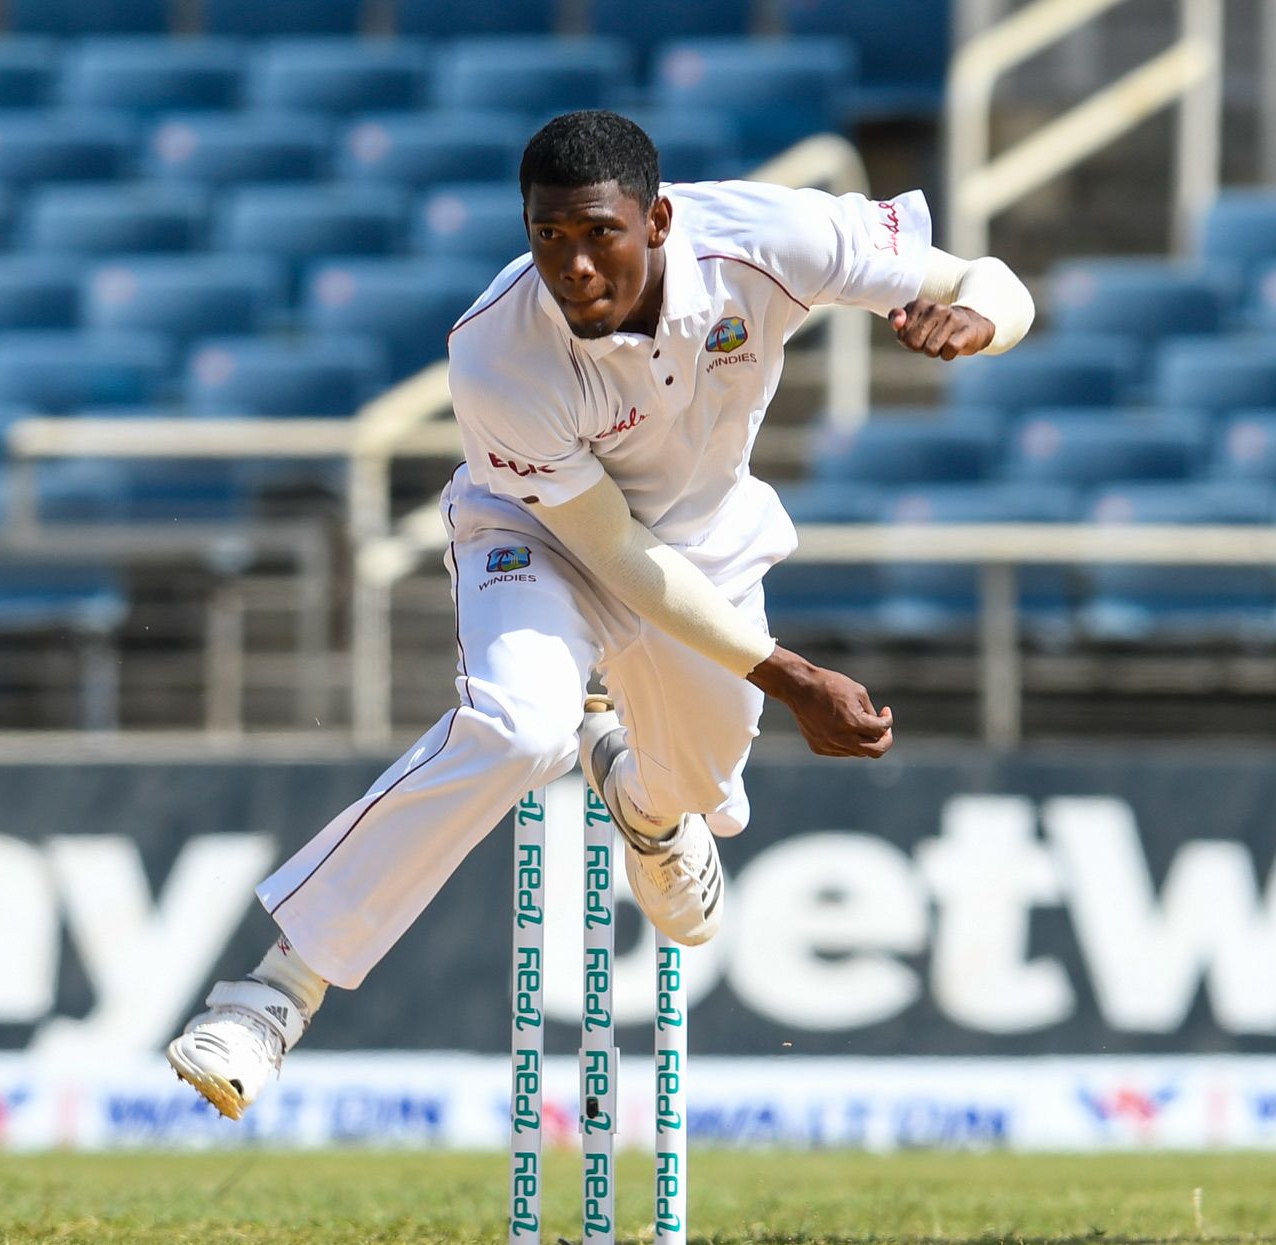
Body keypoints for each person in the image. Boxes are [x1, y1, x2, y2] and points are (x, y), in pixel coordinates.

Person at [167, 110, 1034, 1118]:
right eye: (548, 238)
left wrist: (977, 322)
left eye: (596, 234)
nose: (571, 267)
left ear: (656, 219)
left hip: (704, 541)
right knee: (521, 725)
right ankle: (274, 993)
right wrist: (792, 674)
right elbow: (613, 552)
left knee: (698, 781)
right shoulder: (499, 352)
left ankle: (645, 804)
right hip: (538, 535)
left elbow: (989, 279)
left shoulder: (766, 239)